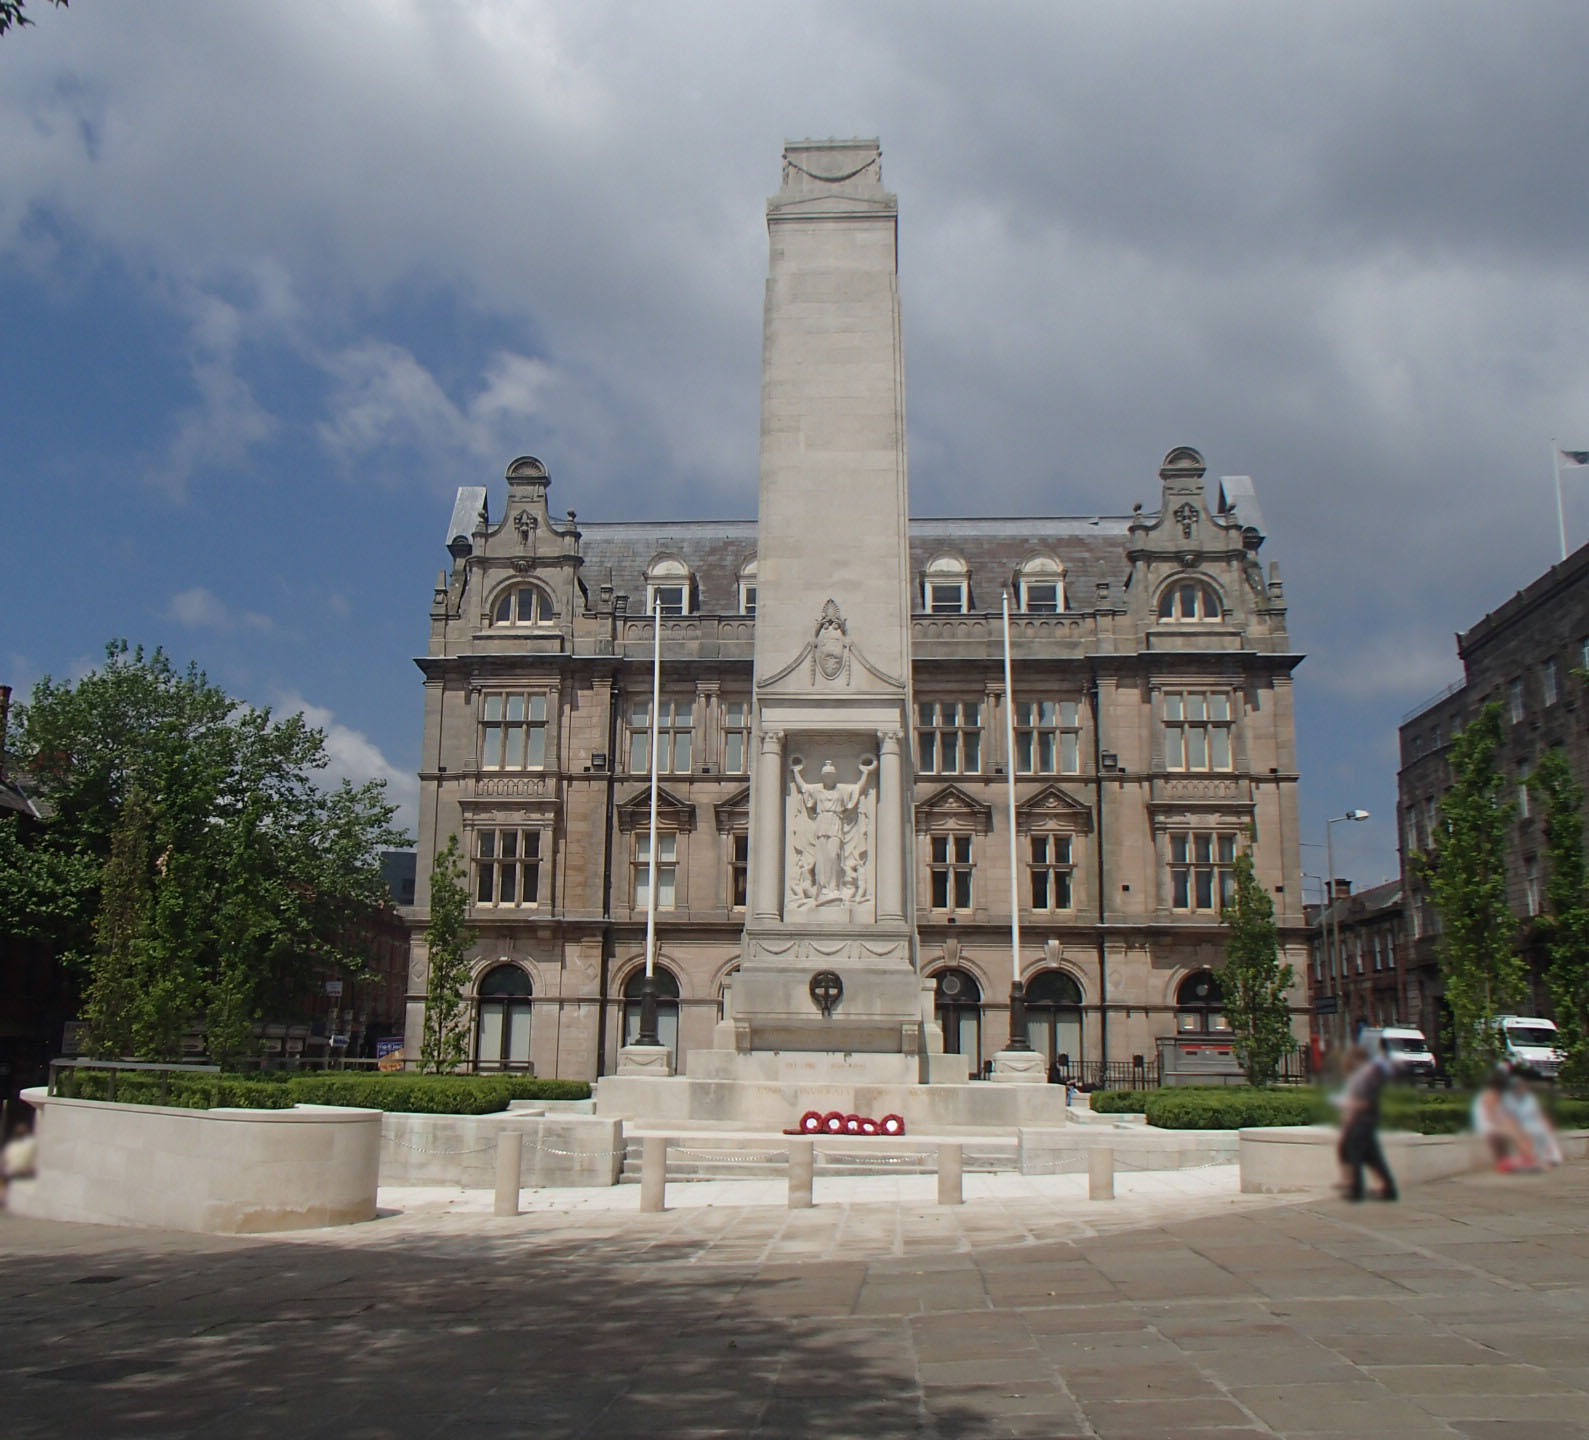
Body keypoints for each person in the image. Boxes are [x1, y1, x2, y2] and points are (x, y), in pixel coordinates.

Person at [1337, 1042, 1397, 1201]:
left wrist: (1349, 1109)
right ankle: (1388, 1188)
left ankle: (1357, 1190)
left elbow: (1365, 1101)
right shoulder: (1363, 1075)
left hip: (1363, 1120)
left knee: (1355, 1153)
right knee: (1371, 1156)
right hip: (1364, 1119)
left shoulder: (1366, 1076)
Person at [1472, 1067, 1537, 1171]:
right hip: (1488, 1126)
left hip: (1493, 1125)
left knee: (1519, 1129)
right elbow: (1491, 1116)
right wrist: (1508, 1124)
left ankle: (1525, 1159)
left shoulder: (1494, 1094)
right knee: (1515, 1131)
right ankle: (1528, 1159)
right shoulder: (1490, 1095)